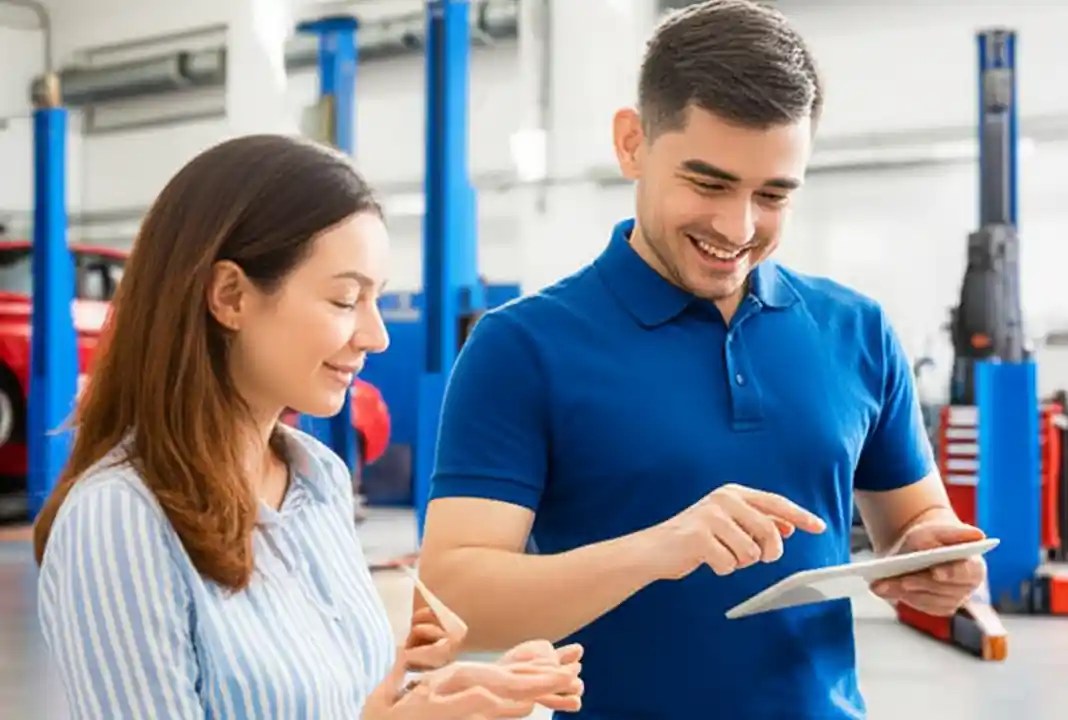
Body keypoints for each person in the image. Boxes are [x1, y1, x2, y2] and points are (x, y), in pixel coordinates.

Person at [415, 1, 988, 718]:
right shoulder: (522, 349)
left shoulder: (857, 330)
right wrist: (658, 550)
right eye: (709, 184)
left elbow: (915, 520)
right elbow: (454, 601)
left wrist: (932, 556)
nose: (738, 228)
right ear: (632, 143)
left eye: (773, 195)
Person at [31, 134, 585, 720]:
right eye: (346, 299)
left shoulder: (316, 477)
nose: (377, 336)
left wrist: (442, 695)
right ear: (230, 295)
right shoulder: (120, 519)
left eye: (377, 300)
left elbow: (347, 707)